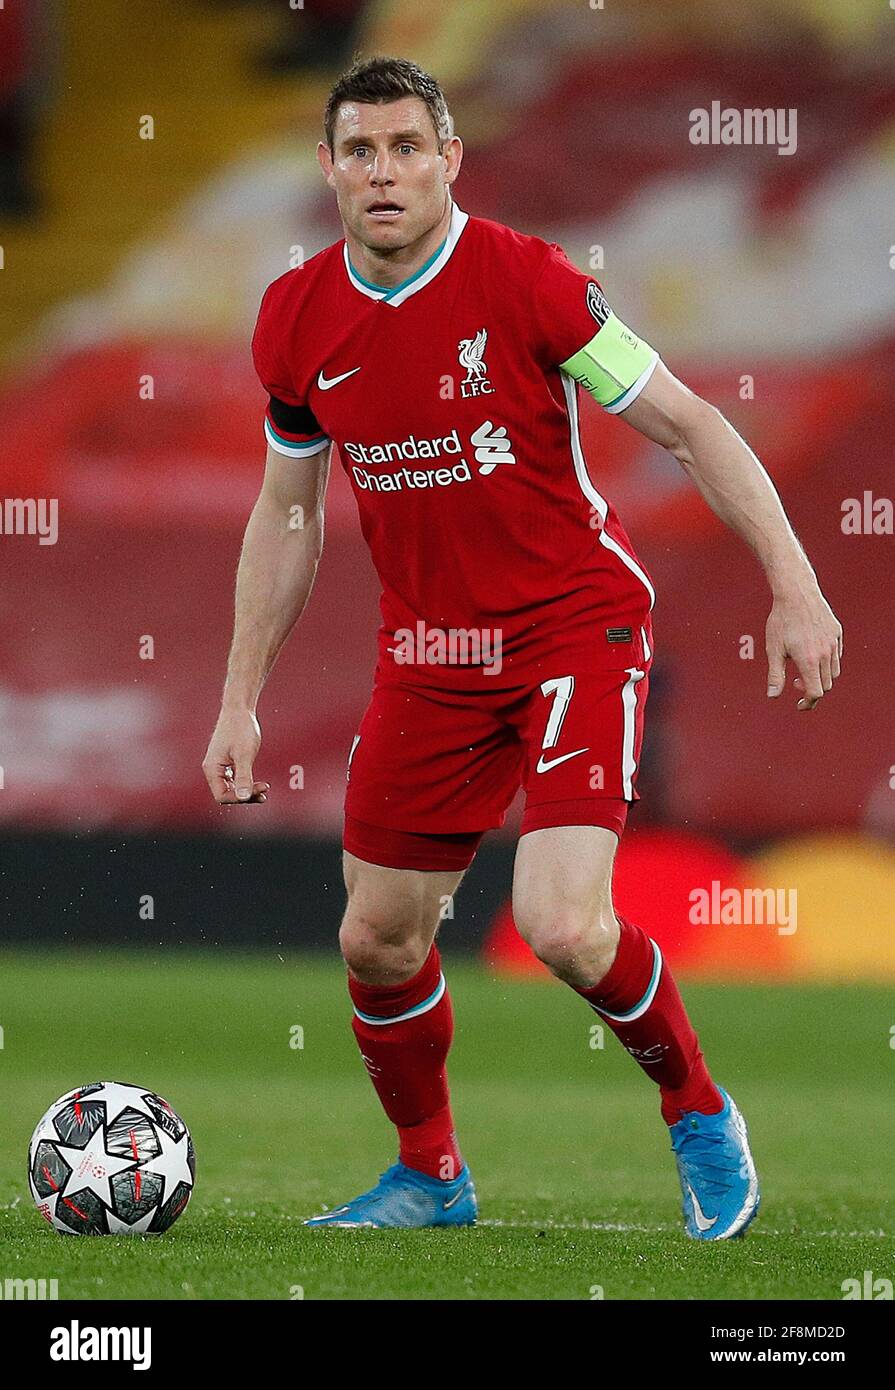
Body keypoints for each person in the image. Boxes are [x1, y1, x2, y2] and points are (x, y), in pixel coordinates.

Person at [203, 56, 842, 1238]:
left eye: (407, 147)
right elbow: (286, 512)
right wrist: (241, 695)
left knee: (562, 925)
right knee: (376, 937)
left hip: (570, 626)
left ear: (452, 160)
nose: (383, 171)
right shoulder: (294, 320)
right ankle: (432, 1176)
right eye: (359, 151)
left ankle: (699, 1113)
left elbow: (689, 424)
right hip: (428, 657)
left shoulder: (531, 283)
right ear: (328, 170)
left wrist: (793, 584)